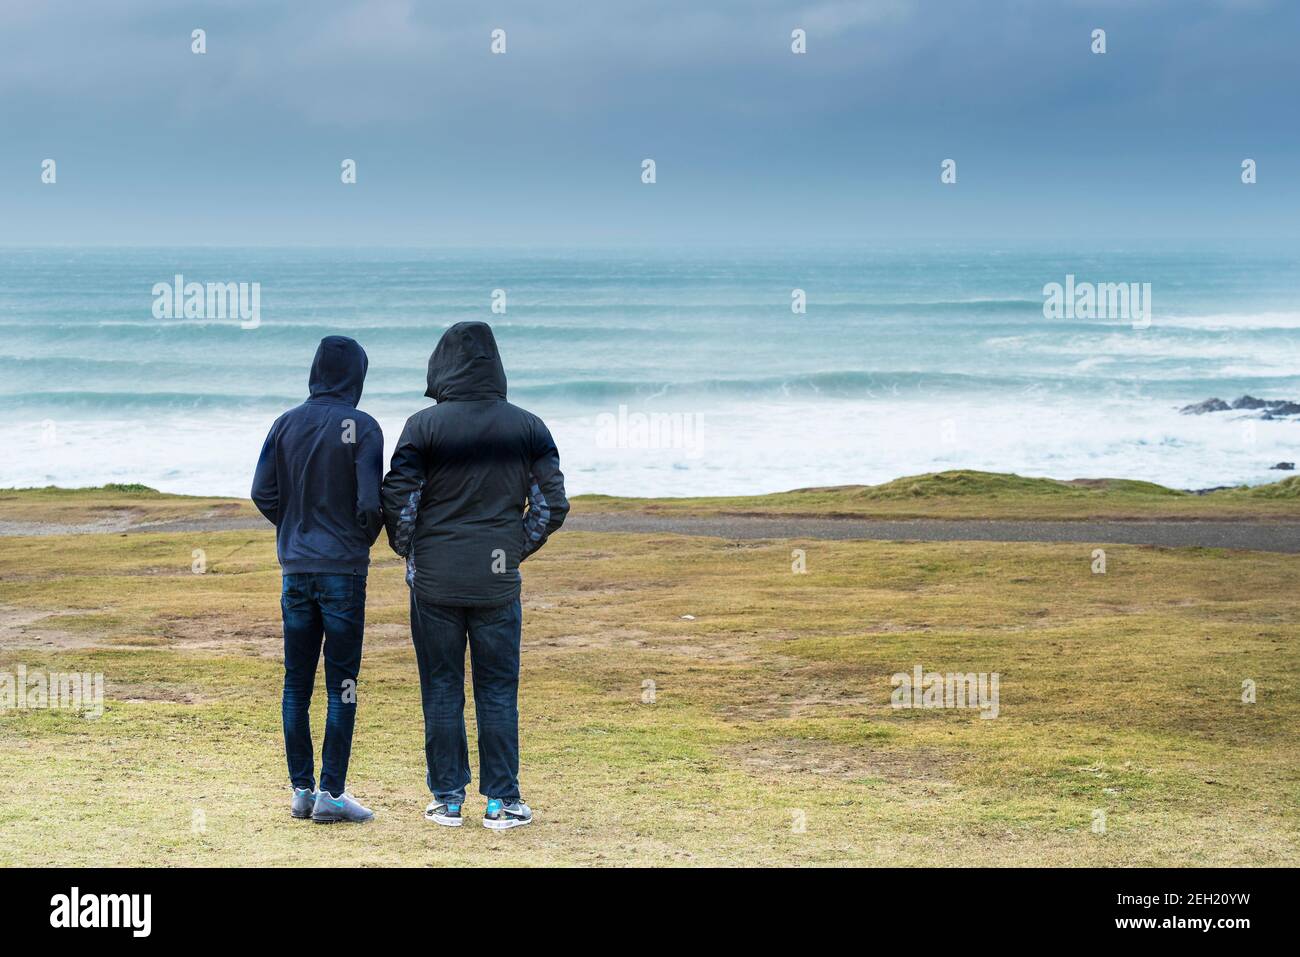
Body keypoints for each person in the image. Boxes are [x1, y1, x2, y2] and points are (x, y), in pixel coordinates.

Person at [382, 321, 568, 829]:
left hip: (435, 582)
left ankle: (447, 800)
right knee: (497, 689)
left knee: (441, 688)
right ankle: (502, 803)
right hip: (497, 582)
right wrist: (512, 551)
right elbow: (551, 506)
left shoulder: (423, 426)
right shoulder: (527, 426)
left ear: (441, 365)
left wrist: (411, 551)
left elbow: (399, 499)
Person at [251, 335, 383, 824]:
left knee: (296, 683)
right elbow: (371, 503)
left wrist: (293, 528)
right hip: (343, 571)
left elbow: (261, 492)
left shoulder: (285, 424)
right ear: (357, 377)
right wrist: (357, 538)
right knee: (342, 684)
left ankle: (301, 791)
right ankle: (332, 793)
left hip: (296, 570)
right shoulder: (362, 426)